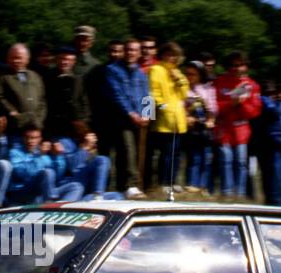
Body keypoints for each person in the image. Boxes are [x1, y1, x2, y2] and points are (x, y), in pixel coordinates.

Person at [103, 38, 149, 198]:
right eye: (128, 50)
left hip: (139, 120)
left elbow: (146, 93)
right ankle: (131, 185)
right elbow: (116, 95)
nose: (131, 53)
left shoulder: (141, 73)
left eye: (134, 50)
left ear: (139, 53)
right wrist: (131, 113)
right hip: (121, 119)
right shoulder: (112, 70)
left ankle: (126, 187)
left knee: (134, 151)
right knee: (128, 150)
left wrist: (147, 114)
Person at [214, 51, 262, 198]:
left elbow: (255, 111)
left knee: (241, 161)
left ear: (245, 66)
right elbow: (213, 105)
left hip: (241, 129)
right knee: (226, 159)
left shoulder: (252, 85)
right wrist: (231, 103)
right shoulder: (220, 81)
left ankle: (239, 193)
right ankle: (227, 192)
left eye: (240, 65)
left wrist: (242, 105)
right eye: (233, 66)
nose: (236, 68)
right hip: (224, 128)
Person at [146, 42, 188, 191]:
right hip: (164, 120)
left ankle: (173, 181)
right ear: (163, 55)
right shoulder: (156, 69)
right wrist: (164, 108)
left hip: (179, 120)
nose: (172, 58)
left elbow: (184, 95)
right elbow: (153, 94)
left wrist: (179, 80)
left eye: (175, 55)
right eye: (169, 54)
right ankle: (163, 182)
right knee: (166, 153)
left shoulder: (178, 72)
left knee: (176, 154)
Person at [6, 124, 83, 204]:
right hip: (22, 193)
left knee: (76, 187)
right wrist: (39, 156)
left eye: (34, 138)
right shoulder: (15, 152)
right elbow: (23, 175)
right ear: (23, 138)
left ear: (40, 139)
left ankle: (61, 209)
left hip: (42, 195)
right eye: (27, 137)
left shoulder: (44, 154)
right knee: (48, 172)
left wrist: (58, 156)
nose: (30, 141)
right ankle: (49, 203)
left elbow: (58, 175)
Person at [0, 44, 47, 139]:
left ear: (27, 59)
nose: (16, 61)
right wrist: (12, 111)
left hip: (35, 127)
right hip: (15, 126)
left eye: (19, 58)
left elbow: (42, 100)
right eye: (12, 58)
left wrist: (39, 119)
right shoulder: (3, 77)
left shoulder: (36, 76)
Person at [257, 82, 281, 206]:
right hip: (273, 146)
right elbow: (274, 113)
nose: (274, 95)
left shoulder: (277, 104)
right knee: (275, 182)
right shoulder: (266, 101)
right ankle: (276, 206)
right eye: (271, 93)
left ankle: (279, 204)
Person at [182, 61, 216, 192]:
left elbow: (212, 108)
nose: (190, 77)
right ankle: (192, 185)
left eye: (193, 74)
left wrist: (210, 120)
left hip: (205, 128)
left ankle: (204, 187)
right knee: (193, 158)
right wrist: (187, 117)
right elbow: (180, 106)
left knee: (206, 158)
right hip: (191, 129)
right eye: (187, 74)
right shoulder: (183, 89)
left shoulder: (208, 89)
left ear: (200, 75)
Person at [45, 45, 89, 140]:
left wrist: (84, 121)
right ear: (56, 60)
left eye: (69, 60)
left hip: (76, 127)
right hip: (55, 127)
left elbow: (84, 102)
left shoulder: (78, 79)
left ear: (74, 62)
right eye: (61, 58)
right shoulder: (48, 78)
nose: (65, 62)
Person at [56, 131, 112, 198]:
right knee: (102, 160)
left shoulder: (84, 138)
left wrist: (91, 151)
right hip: (70, 185)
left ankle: (98, 195)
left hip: (87, 188)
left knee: (117, 196)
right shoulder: (64, 140)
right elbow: (73, 167)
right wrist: (86, 147)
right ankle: (98, 195)